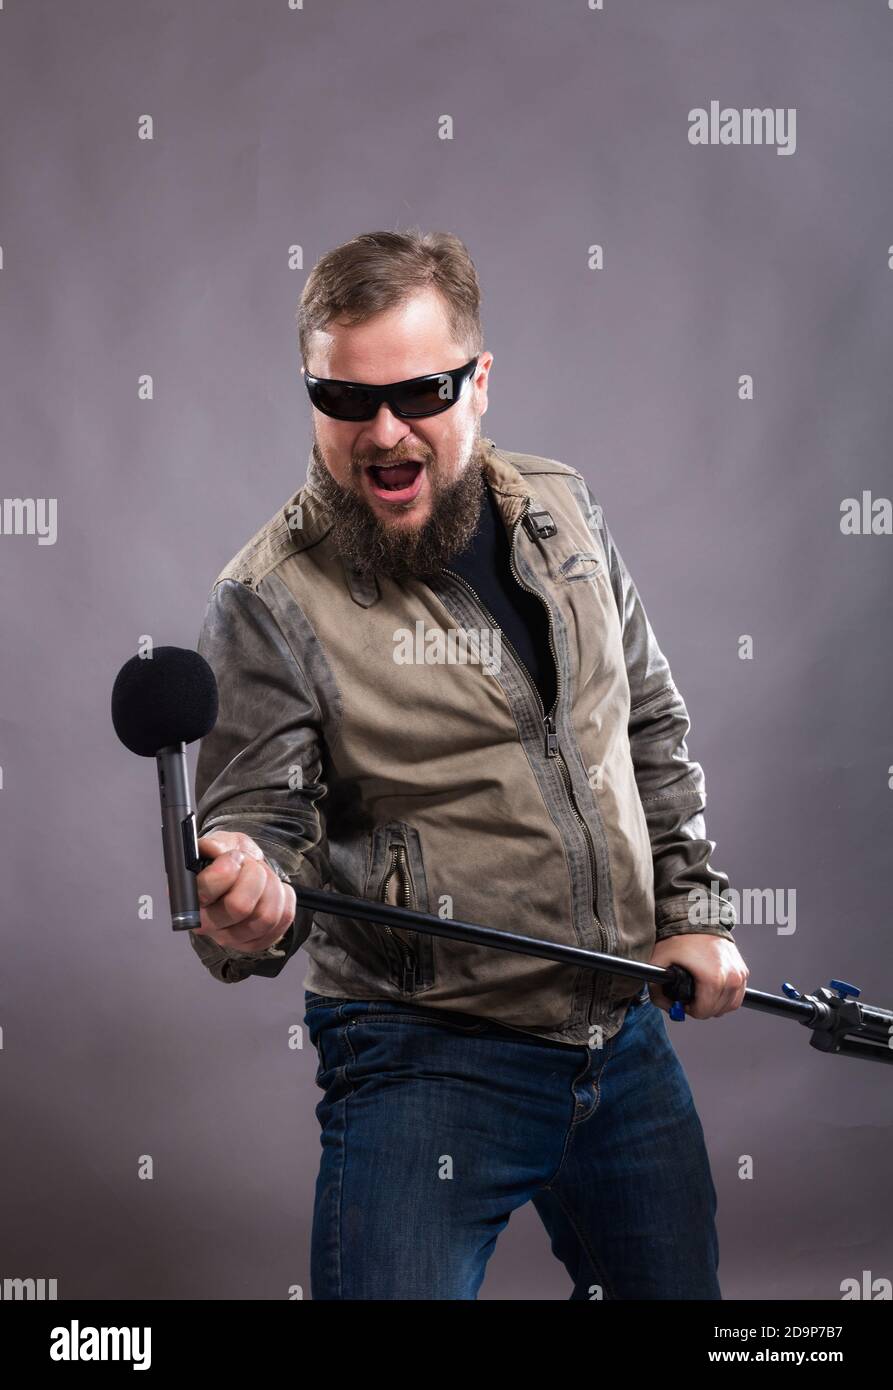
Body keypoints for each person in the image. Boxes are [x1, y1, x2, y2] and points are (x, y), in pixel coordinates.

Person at [188, 228, 749, 1300]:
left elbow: (646, 723)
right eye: (345, 400)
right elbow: (256, 831)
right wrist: (244, 895)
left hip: (617, 1032)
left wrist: (695, 909)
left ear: (479, 381)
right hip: (422, 1059)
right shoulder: (267, 600)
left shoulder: (562, 509)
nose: (383, 433)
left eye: (420, 393)